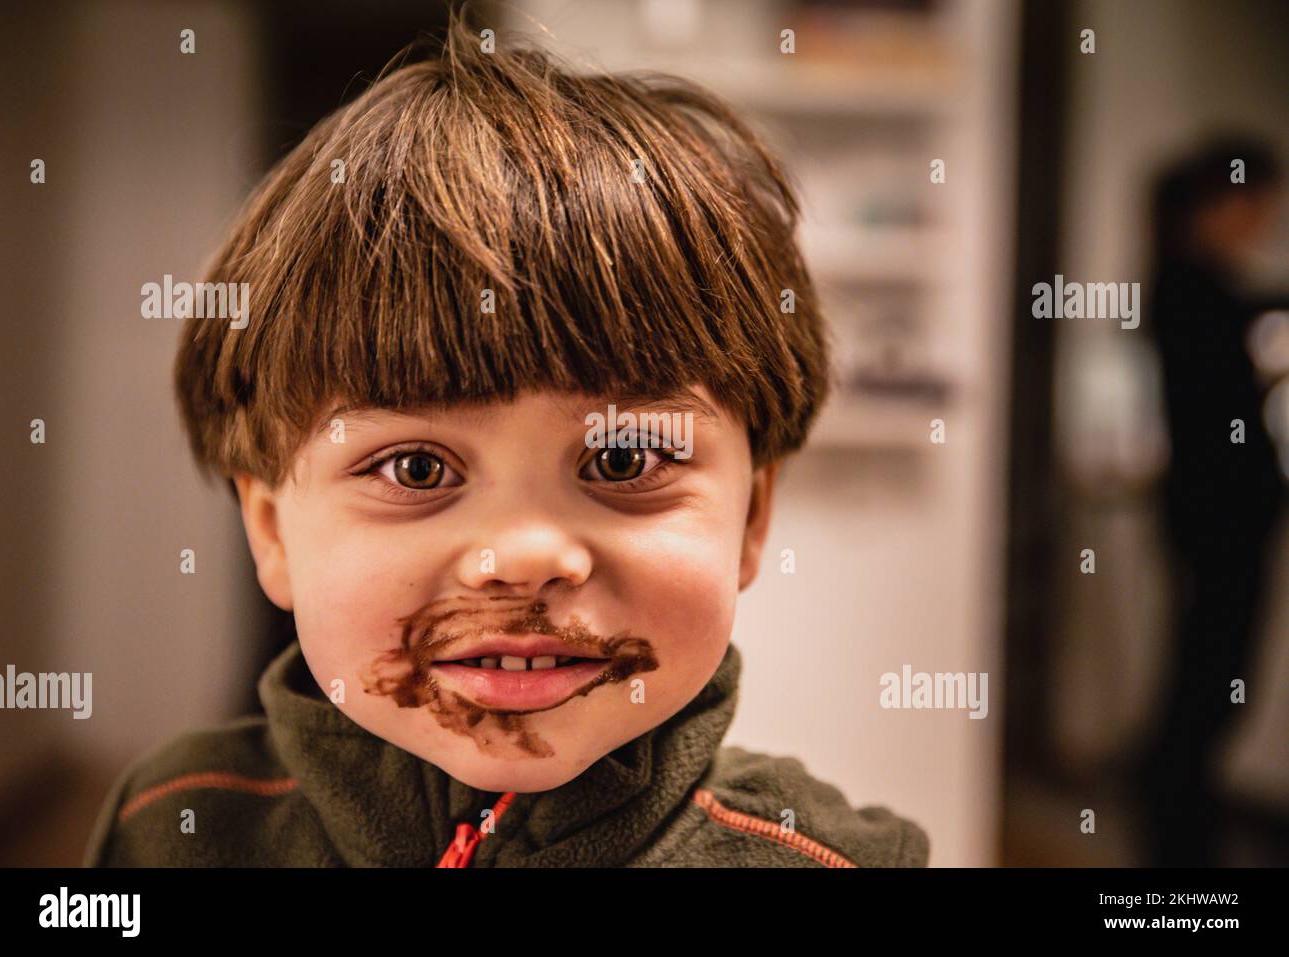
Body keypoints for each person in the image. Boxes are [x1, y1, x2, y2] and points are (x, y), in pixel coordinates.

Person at [82, 15, 928, 868]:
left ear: (753, 518)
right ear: (270, 530)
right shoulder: (169, 826)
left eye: (623, 460)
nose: (523, 557)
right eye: (416, 467)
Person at [1137, 136, 1286, 866]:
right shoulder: (1191, 291)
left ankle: (1181, 841)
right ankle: (1180, 852)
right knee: (1209, 684)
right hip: (1218, 518)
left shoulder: (1193, 290)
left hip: (1214, 515)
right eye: (1254, 202)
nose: (1262, 220)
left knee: (1209, 681)